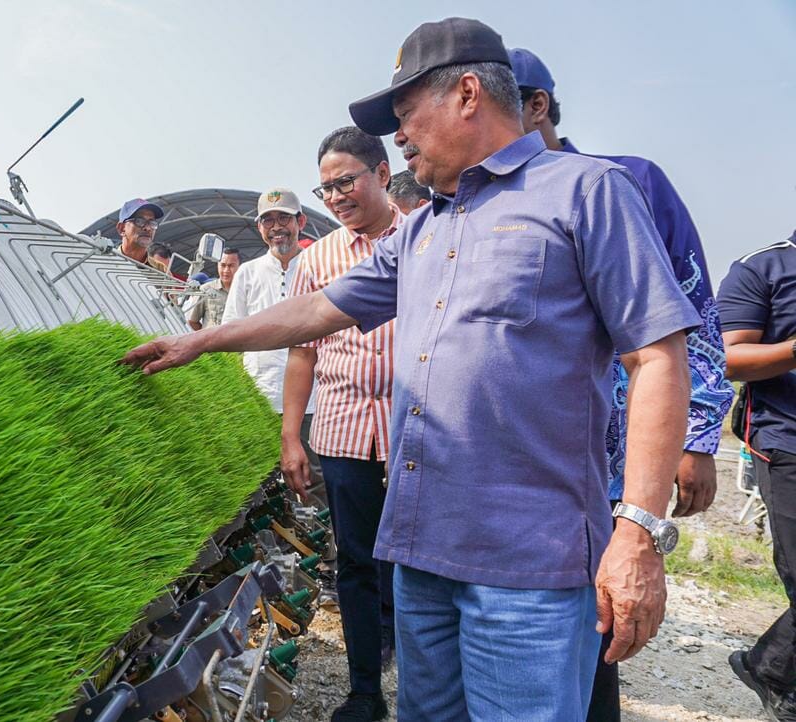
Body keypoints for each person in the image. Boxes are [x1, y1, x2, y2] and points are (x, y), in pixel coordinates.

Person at [121, 18, 699, 722]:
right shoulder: (425, 229)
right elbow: (317, 312)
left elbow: (656, 356)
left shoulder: (586, 192)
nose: (398, 138)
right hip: (423, 555)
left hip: (529, 566)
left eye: (404, 115)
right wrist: (201, 343)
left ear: (465, 94)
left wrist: (637, 532)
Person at [510, 46, 735, 722]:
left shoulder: (627, 180)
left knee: (595, 642)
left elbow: (693, 313)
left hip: (612, 468)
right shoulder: (486, 202)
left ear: (537, 106)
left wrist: (696, 439)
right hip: (525, 469)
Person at [282, 127, 405, 721]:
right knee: (356, 560)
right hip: (345, 430)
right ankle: (364, 691)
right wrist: (290, 436)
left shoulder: (429, 236)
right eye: (325, 188)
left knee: (420, 560)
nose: (335, 196)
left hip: (420, 432)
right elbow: (301, 351)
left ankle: (433, 680)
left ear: (382, 174)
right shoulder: (316, 260)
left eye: (345, 182)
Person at [718, 232, 796, 721]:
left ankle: (769, 666)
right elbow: (726, 357)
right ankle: (773, 673)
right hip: (786, 440)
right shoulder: (763, 267)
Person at [221, 188, 324, 505]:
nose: (277, 226)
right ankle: (277, 552)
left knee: (314, 481)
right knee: (262, 487)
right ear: (259, 228)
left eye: (284, 218)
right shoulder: (248, 273)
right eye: (268, 220)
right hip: (260, 398)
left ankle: (328, 551)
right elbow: (230, 335)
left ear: (301, 221)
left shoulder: (319, 266)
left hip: (313, 401)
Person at [187, 248, 240, 331]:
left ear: (239, 267)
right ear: (217, 265)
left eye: (231, 266)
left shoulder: (245, 291)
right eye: (222, 265)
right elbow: (192, 321)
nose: (226, 270)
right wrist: (208, 336)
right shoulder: (205, 290)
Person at [115, 198, 164, 265]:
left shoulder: (160, 272)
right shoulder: (103, 262)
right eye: (139, 221)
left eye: (152, 223)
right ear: (122, 228)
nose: (147, 228)